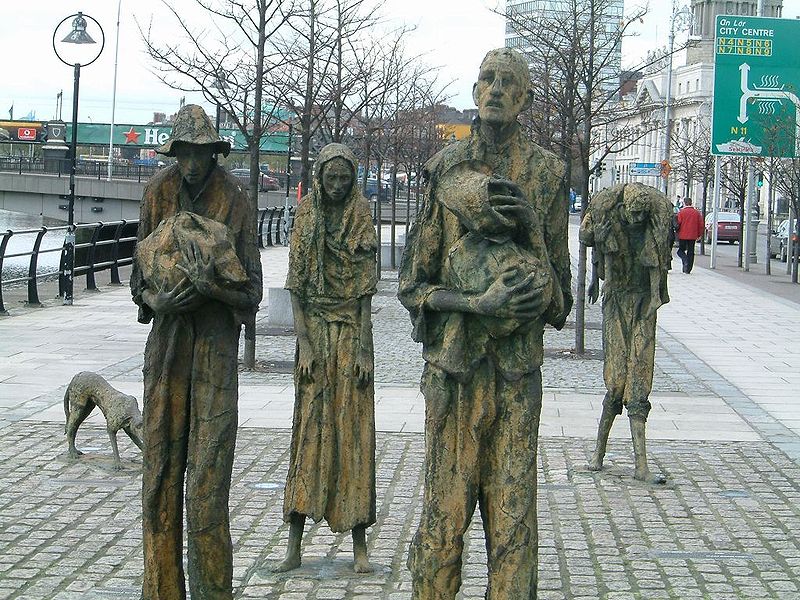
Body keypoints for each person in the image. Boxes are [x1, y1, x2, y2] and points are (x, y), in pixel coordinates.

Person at [398, 47, 572, 599]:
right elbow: (412, 287)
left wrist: (531, 231)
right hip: (453, 374)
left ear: (523, 98)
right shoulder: (446, 171)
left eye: (508, 82)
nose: (495, 89)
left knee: (514, 524)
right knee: (443, 522)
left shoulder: (547, 174)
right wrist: (478, 304)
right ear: (475, 93)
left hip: (518, 379)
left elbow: (561, 304)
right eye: (486, 80)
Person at [130, 104, 262, 600]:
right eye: (183, 154)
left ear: (213, 152)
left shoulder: (235, 197)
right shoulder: (157, 191)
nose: (190, 164)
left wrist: (213, 287)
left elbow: (251, 293)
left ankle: (213, 592)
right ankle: (160, 590)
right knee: (160, 475)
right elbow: (139, 276)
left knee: (207, 483)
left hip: (214, 352)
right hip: (166, 350)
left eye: (199, 154)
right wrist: (157, 299)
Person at [276, 143, 377, 574]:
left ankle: (359, 547)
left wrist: (366, 350)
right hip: (315, 333)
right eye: (330, 178)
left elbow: (366, 295)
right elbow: (296, 286)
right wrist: (306, 345)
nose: (337, 187)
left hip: (351, 334)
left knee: (354, 436)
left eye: (345, 179)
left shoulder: (360, 216)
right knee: (310, 434)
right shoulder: (306, 216)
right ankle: (294, 543)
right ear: (318, 178)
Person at [580, 183, 672, 484]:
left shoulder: (652, 230)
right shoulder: (610, 220)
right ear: (623, 210)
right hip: (617, 301)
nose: (636, 219)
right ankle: (598, 452)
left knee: (639, 379)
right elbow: (590, 240)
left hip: (643, 304)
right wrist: (595, 281)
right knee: (616, 380)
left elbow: (658, 271)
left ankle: (640, 463)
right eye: (632, 213)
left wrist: (656, 299)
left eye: (641, 215)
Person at [676, 197, 705, 273]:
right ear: (691, 203)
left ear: (684, 203)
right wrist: (699, 234)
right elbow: (701, 224)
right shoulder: (697, 213)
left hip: (683, 235)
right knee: (691, 251)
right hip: (693, 235)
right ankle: (688, 269)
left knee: (680, 251)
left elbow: (678, 223)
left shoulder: (681, 213)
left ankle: (685, 260)